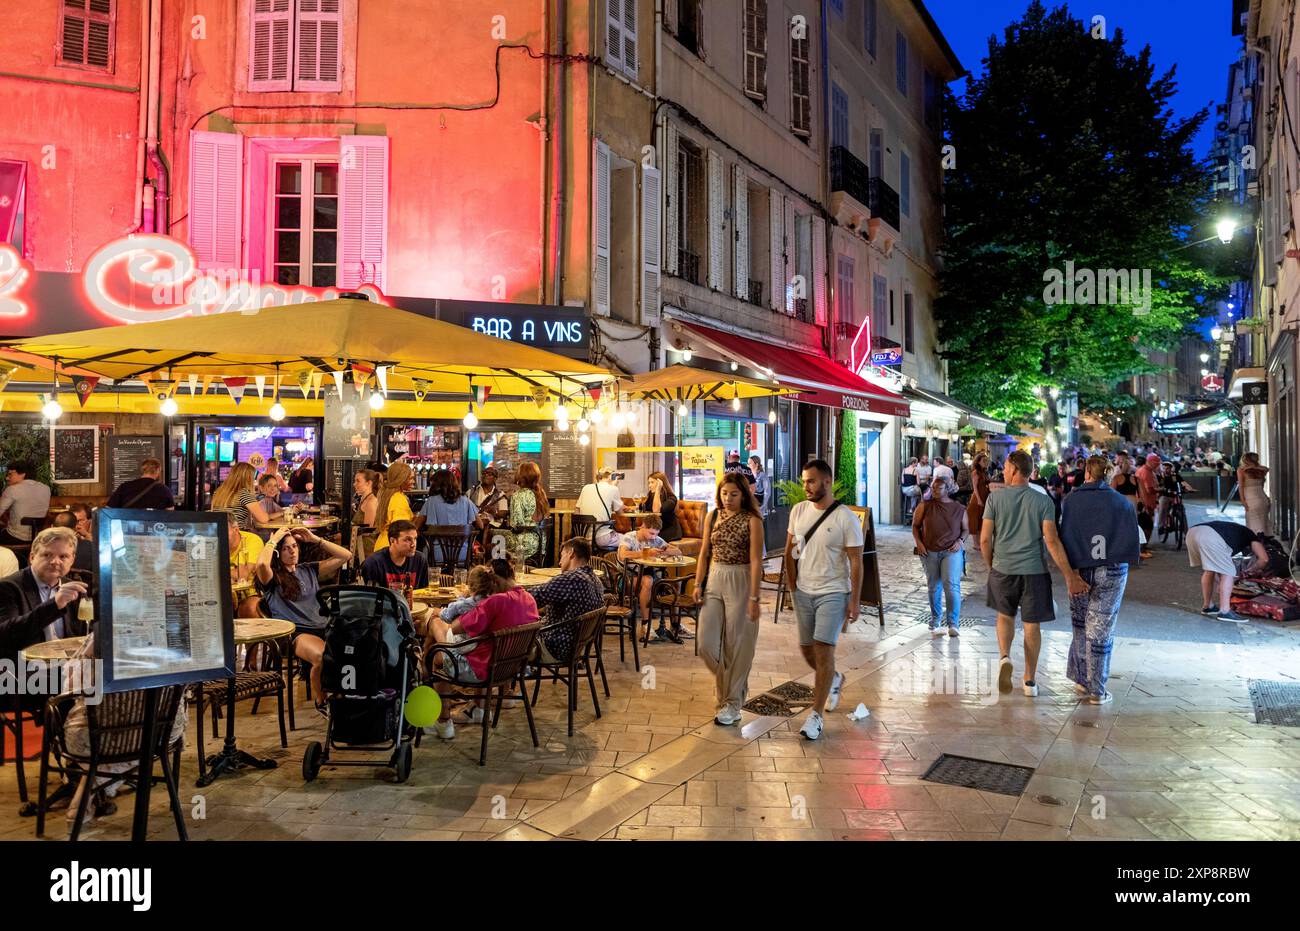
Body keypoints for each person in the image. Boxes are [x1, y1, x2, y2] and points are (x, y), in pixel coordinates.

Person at [980, 450, 1088, 698]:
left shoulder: (994, 500)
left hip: (1003, 568)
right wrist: (1069, 575)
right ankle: (1029, 680)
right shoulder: (1043, 502)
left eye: (1006, 468)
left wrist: (991, 566)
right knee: (1031, 625)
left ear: (1016, 470)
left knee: (1004, 617)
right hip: (1034, 571)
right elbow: (1051, 540)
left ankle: (1005, 656)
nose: (1004, 472)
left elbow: (985, 539)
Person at [782, 459, 863, 741]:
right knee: (808, 651)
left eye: (811, 481)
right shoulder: (799, 510)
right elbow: (790, 549)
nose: (806, 486)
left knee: (823, 648)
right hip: (803, 591)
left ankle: (815, 716)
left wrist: (855, 600)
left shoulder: (845, 517)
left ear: (827, 482)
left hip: (833, 591)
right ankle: (835, 679)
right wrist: (792, 586)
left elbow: (856, 560)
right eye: (804, 481)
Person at [1060, 456, 1140, 704]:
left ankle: (1082, 680)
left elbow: (1066, 535)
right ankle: (1097, 688)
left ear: (1086, 473)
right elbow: (1131, 538)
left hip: (1080, 567)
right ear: (1108, 475)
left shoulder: (1071, 501)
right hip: (1112, 568)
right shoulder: (1121, 502)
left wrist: (1070, 572)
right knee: (1102, 627)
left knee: (1081, 624)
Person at [425, 568, 539, 739]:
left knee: (438, 655)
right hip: (511, 669)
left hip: (484, 671)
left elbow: (454, 628)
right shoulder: (528, 599)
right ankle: (479, 708)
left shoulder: (496, 602)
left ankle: (443, 721)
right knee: (451, 644)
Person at [254, 524, 353, 707]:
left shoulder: (308, 570)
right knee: (323, 657)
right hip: (296, 633)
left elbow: (345, 555)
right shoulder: (272, 578)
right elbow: (261, 563)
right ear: (276, 553)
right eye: (285, 549)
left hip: (323, 627)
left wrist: (315, 539)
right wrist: (273, 540)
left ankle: (344, 698)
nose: (292, 552)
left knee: (354, 649)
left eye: (294, 546)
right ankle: (323, 703)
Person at [695, 472, 765, 725]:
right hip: (714, 576)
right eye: (724, 493)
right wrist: (697, 582)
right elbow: (704, 552)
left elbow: (757, 560)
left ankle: (732, 703)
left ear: (744, 495)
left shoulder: (752, 520)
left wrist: (754, 598)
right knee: (706, 643)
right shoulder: (713, 516)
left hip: (741, 579)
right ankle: (731, 688)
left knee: (738, 645)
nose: (728, 498)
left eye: (734, 494)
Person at [530, 537, 605, 664]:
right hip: (576, 647)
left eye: (562, 555)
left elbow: (531, 599)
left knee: (507, 641)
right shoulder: (596, 580)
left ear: (571, 553)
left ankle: (506, 677)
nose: (559, 562)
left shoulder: (570, 579)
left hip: (554, 647)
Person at [912, 476, 968, 637]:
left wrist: (960, 541)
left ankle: (953, 623)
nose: (934, 490)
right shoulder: (925, 506)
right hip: (929, 551)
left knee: (951, 585)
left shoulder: (959, 508)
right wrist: (919, 543)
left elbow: (966, 529)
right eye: (933, 487)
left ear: (948, 489)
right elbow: (915, 526)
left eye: (939, 488)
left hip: (952, 551)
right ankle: (935, 620)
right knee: (933, 586)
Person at [1185, 520, 1269, 623]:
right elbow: (1264, 559)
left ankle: (1208, 606)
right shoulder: (1251, 536)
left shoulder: (1235, 533)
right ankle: (1225, 611)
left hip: (1192, 533)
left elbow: (1218, 569)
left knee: (1210, 570)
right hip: (1210, 536)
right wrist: (1248, 571)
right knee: (1229, 572)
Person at [618, 514, 685, 642]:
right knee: (648, 580)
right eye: (651, 533)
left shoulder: (656, 539)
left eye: (656, 534)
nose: (653, 537)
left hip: (648, 574)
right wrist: (645, 553)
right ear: (643, 527)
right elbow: (623, 555)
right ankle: (646, 625)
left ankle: (675, 626)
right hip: (627, 576)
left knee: (675, 584)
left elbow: (678, 552)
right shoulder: (629, 537)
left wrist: (663, 551)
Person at [419, 472, 477, 565]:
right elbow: (480, 525)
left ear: (436, 484)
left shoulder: (431, 502)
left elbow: (416, 526)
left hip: (437, 555)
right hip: (463, 554)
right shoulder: (466, 501)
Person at [360, 519, 429, 593]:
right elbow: (370, 599)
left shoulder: (420, 560)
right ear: (392, 541)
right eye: (407, 540)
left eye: (415, 539)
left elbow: (424, 593)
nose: (413, 544)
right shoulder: (373, 563)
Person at [502, 461, 549, 562]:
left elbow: (517, 525)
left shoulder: (518, 495)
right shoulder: (541, 493)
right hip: (541, 543)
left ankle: (501, 572)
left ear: (521, 477)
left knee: (494, 537)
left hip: (525, 543)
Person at [0, 461, 51, 548]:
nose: (7, 478)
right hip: (37, 538)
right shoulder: (46, 488)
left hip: (14, 538)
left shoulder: (12, 489)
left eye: (10, 474)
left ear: (23, 474)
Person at [211, 462, 270, 532]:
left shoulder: (218, 492)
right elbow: (263, 519)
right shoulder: (243, 493)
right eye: (252, 477)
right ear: (248, 478)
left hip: (218, 534)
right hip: (235, 536)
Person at [575, 469, 624, 549]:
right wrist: (614, 486)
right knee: (629, 539)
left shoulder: (586, 488)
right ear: (610, 477)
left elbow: (577, 510)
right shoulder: (613, 489)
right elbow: (620, 513)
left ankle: (596, 560)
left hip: (583, 537)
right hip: (600, 538)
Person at [373, 461, 415, 551]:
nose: (413, 482)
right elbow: (400, 530)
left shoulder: (390, 495)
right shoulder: (399, 499)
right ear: (401, 479)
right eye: (410, 479)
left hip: (383, 545)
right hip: (392, 548)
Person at [104, 457, 174, 510]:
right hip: (154, 527)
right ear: (158, 470)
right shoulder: (165, 490)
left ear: (142, 470)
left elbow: (109, 509)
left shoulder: (125, 487)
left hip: (128, 527)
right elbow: (169, 513)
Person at [50, 511, 95, 577]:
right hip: (84, 586)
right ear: (76, 528)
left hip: (54, 586)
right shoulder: (91, 548)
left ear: (52, 527)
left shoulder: (43, 547)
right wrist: (88, 536)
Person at [1134, 453, 1161, 559]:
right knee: (1147, 526)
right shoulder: (1146, 472)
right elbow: (1148, 489)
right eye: (1156, 464)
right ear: (1151, 462)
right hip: (1145, 503)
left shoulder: (1147, 471)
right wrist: (1160, 490)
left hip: (1145, 503)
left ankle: (1143, 548)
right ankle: (1142, 549)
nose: (1157, 466)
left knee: (1144, 526)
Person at [643, 471, 682, 543]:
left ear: (660, 483)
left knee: (647, 537)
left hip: (669, 530)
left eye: (652, 482)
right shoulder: (651, 495)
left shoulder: (671, 498)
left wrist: (658, 490)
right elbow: (643, 507)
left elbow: (656, 511)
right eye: (649, 483)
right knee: (638, 534)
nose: (649, 485)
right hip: (655, 528)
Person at [1238, 452, 1271, 535]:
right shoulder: (1261, 470)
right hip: (1263, 499)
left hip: (1251, 501)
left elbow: (1241, 487)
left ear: (1245, 460)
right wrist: (1254, 466)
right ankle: (1264, 543)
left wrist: (1243, 500)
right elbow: (1267, 468)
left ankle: (1256, 544)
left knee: (1252, 525)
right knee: (1263, 524)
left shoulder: (1241, 470)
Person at [468, 466, 510, 531]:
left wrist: (495, 512)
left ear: (495, 478)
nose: (486, 475)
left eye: (489, 474)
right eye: (484, 473)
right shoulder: (471, 492)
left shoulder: (500, 495)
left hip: (492, 528)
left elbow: (504, 512)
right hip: (474, 526)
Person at [966, 453, 991, 539]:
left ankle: (978, 542)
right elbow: (975, 488)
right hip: (978, 497)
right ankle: (976, 544)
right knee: (975, 521)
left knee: (980, 520)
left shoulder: (983, 471)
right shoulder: (976, 472)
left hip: (984, 496)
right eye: (983, 461)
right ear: (978, 462)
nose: (985, 462)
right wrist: (979, 500)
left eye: (986, 461)